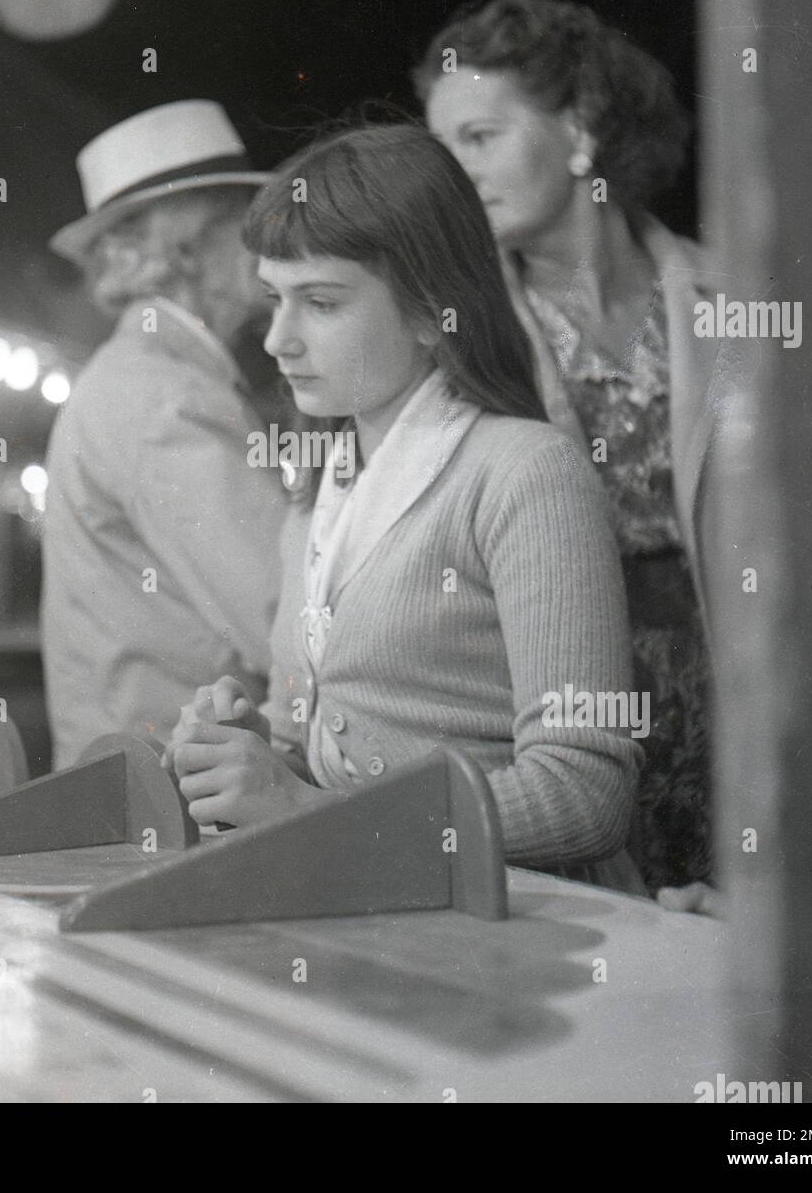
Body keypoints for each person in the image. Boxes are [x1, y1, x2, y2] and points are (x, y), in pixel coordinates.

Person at [165, 123, 644, 886]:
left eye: (320, 302)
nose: (276, 342)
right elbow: (312, 749)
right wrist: (253, 749)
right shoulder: (318, 486)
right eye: (273, 301)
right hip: (372, 909)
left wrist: (303, 810)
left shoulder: (525, 473)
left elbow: (584, 796)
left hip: (523, 932)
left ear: (433, 312)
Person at [418, 0, 735, 895]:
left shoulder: (732, 298)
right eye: (442, 151)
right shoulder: (458, 339)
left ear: (582, 127)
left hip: (752, 718)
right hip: (571, 726)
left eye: (479, 137)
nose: (455, 173)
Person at [42, 101, 288, 769]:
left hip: (139, 795)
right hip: (172, 809)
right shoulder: (164, 392)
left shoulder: (144, 375)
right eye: (243, 223)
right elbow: (281, 619)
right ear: (183, 247)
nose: (266, 246)